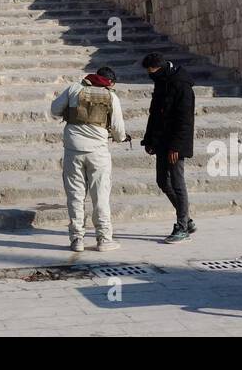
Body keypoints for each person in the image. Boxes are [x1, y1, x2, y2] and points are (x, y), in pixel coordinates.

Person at [50, 66, 127, 253]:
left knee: (75, 196)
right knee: (100, 196)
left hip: (73, 150)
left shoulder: (74, 88)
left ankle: (77, 239)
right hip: (98, 153)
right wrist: (120, 138)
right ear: (110, 82)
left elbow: (54, 110)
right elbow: (117, 127)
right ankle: (104, 239)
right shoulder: (111, 96)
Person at [142, 51, 197, 243]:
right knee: (162, 182)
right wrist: (149, 140)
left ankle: (182, 226)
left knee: (177, 183)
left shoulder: (181, 85)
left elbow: (185, 120)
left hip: (175, 144)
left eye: (152, 71)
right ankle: (187, 220)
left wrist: (176, 147)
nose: (151, 75)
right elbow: (155, 114)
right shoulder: (161, 82)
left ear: (161, 67)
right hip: (161, 141)